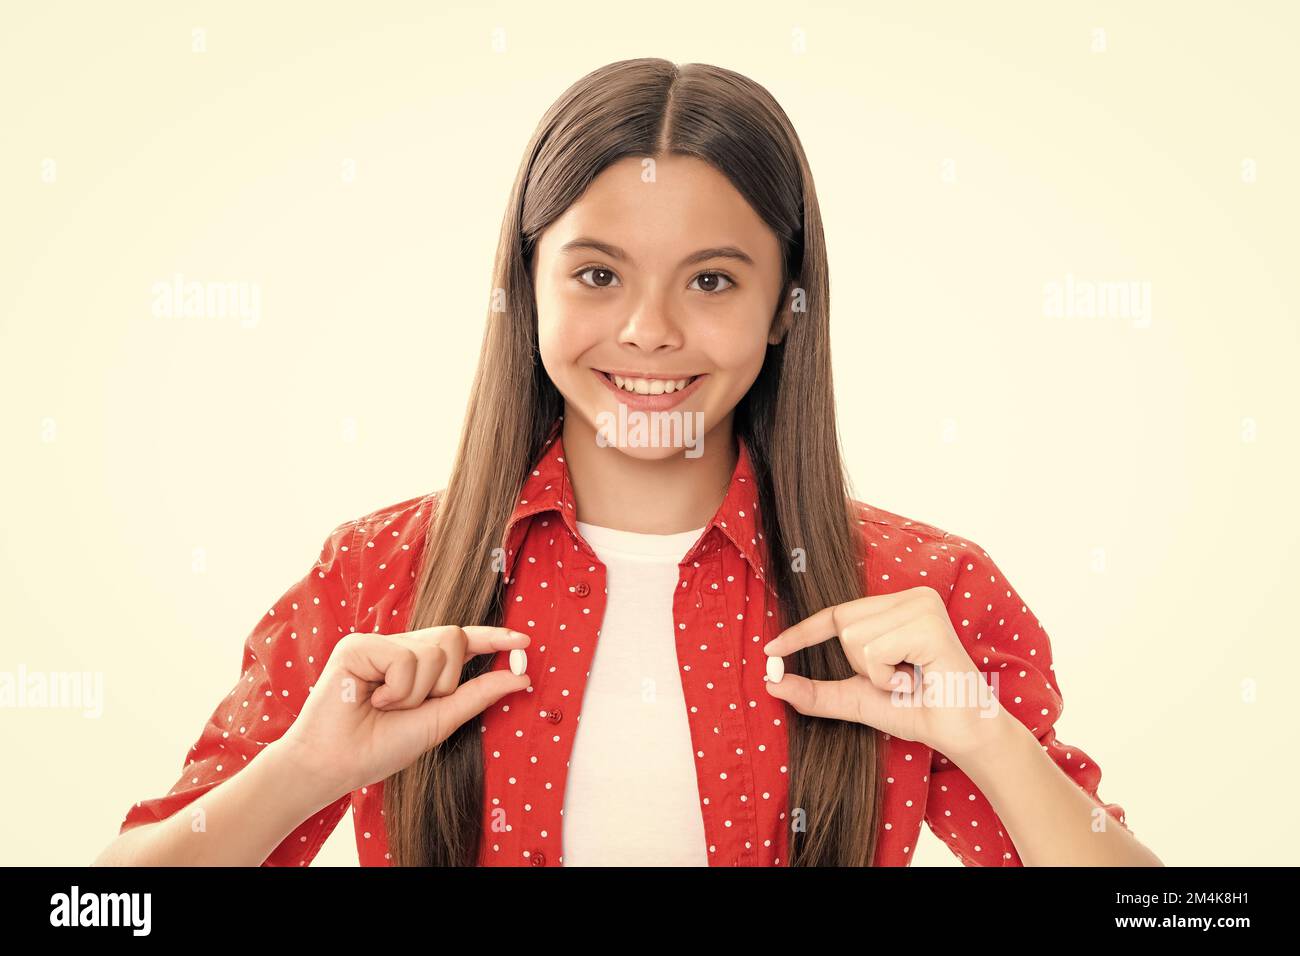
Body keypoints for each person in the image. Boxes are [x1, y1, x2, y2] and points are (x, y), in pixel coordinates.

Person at [94, 58, 1161, 868]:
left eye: (710, 281)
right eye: (598, 272)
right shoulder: (380, 576)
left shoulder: (920, 592)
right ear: (528, 285)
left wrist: (985, 733)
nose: (649, 331)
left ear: (787, 306)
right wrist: (303, 773)